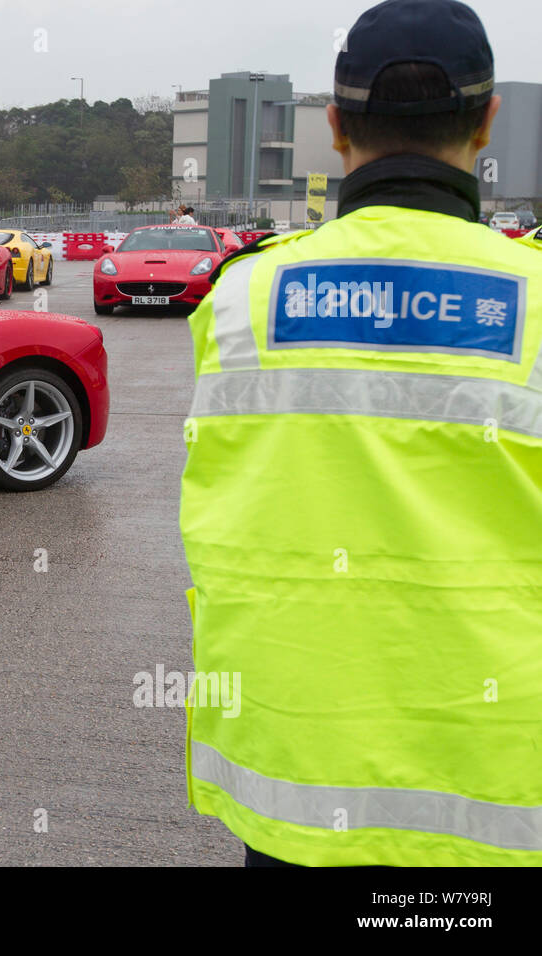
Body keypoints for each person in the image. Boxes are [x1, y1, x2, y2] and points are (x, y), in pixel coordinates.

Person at [180, 0, 542, 867]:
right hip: (500, 789)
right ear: (487, 122)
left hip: (296, 782)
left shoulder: (239, 300)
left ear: (335, 128)